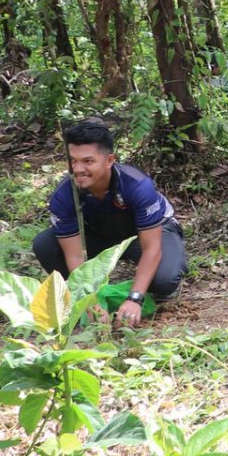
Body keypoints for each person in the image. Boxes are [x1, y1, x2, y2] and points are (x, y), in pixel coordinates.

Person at [32, 120, 187, 325]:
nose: (78, 169)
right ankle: (80, 295)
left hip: (143, 234)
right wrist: (91, 302)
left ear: (109, 160)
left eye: (88, 161)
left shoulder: (138, 186)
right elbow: (75, 255)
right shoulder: (64, 196)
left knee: (164, 280)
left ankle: (144, 287)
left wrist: (135, 299)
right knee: (45, 244)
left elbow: (152, 248)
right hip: (99, 232)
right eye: (73, 161)